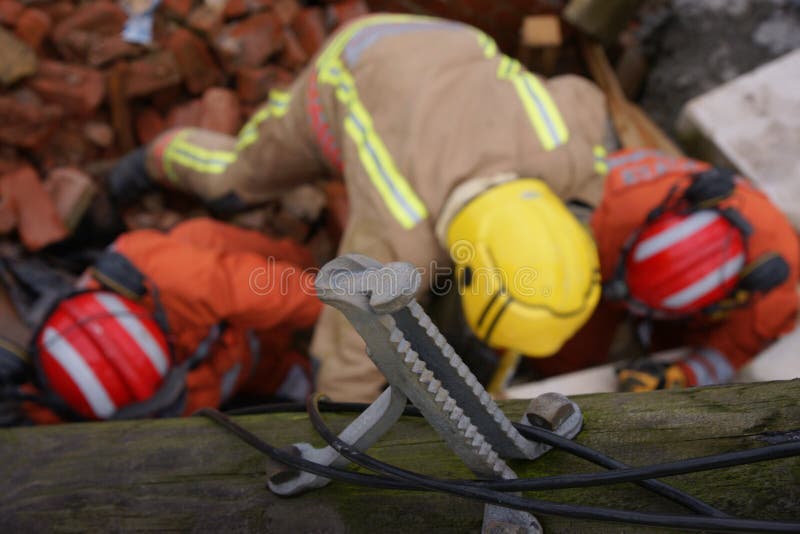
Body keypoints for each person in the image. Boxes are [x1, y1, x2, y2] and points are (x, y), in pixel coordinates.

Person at [107, 13, 612, 402]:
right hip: (357, 60)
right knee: (236, 181)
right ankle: (148, 161)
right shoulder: (400, 232)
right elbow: (351, 343)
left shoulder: (569, 146)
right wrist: (340, 422)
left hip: (448, 41)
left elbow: (588, 102)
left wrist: (581, 214)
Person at [0, 218, 321, 424]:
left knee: (202, 238)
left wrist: (335, 305)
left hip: (236, 319)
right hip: (237, 373)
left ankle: (311, 262)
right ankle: (289, 376)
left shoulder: (160, 272)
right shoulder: (57, 411)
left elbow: (288, 294)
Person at [530, 150, 799, 392]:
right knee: (558, 341)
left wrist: (681, 376)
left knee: (672, 344)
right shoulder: (609, 204)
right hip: (602, 257)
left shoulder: (769, 296)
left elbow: (732, 350)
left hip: (685, 312)